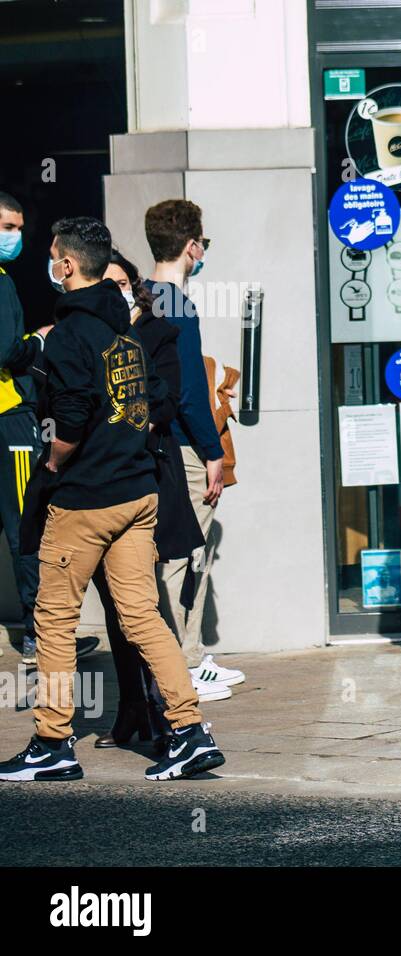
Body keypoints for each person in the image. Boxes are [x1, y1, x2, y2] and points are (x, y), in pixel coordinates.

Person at [0, 216, 224, 781]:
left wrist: (54, 459)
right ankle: (189, 731)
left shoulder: (74, 332)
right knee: (143, 616)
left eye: (54, 257)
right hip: (136, 493)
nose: (50, 264)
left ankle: (53, 741)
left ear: (68, 266)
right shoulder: (125, 327)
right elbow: (148, 401)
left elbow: (72, 413)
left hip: (85, 501)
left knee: (53, 622)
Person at [92, 250, 209, 748]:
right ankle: (133, 708)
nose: (113, 291)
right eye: (106, 283)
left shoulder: (161, 332)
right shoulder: (93, 337)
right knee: (118, 604)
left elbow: (167, 402)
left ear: (135, 286)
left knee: (145, 602)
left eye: (121, 283)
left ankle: (168, 708)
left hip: (150, 478)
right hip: (103, 482)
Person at [144, 199, 245, 697]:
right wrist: (213, 456)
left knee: (171, 555)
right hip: (184, 449)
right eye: (202, 245)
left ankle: (189, 658)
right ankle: (183, 664)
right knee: (189, 556)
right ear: (191, 247)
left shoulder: (141, 298)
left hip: (153, 445)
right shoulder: (177, 306)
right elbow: (188, 393)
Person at [0, 191, 98, 665]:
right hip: (9, 416)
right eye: (7, 227)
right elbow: (5, 351)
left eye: (18, 228)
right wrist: (36, 342)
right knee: (27, 525)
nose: (15, 237)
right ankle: (42, 637)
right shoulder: (1, 284)